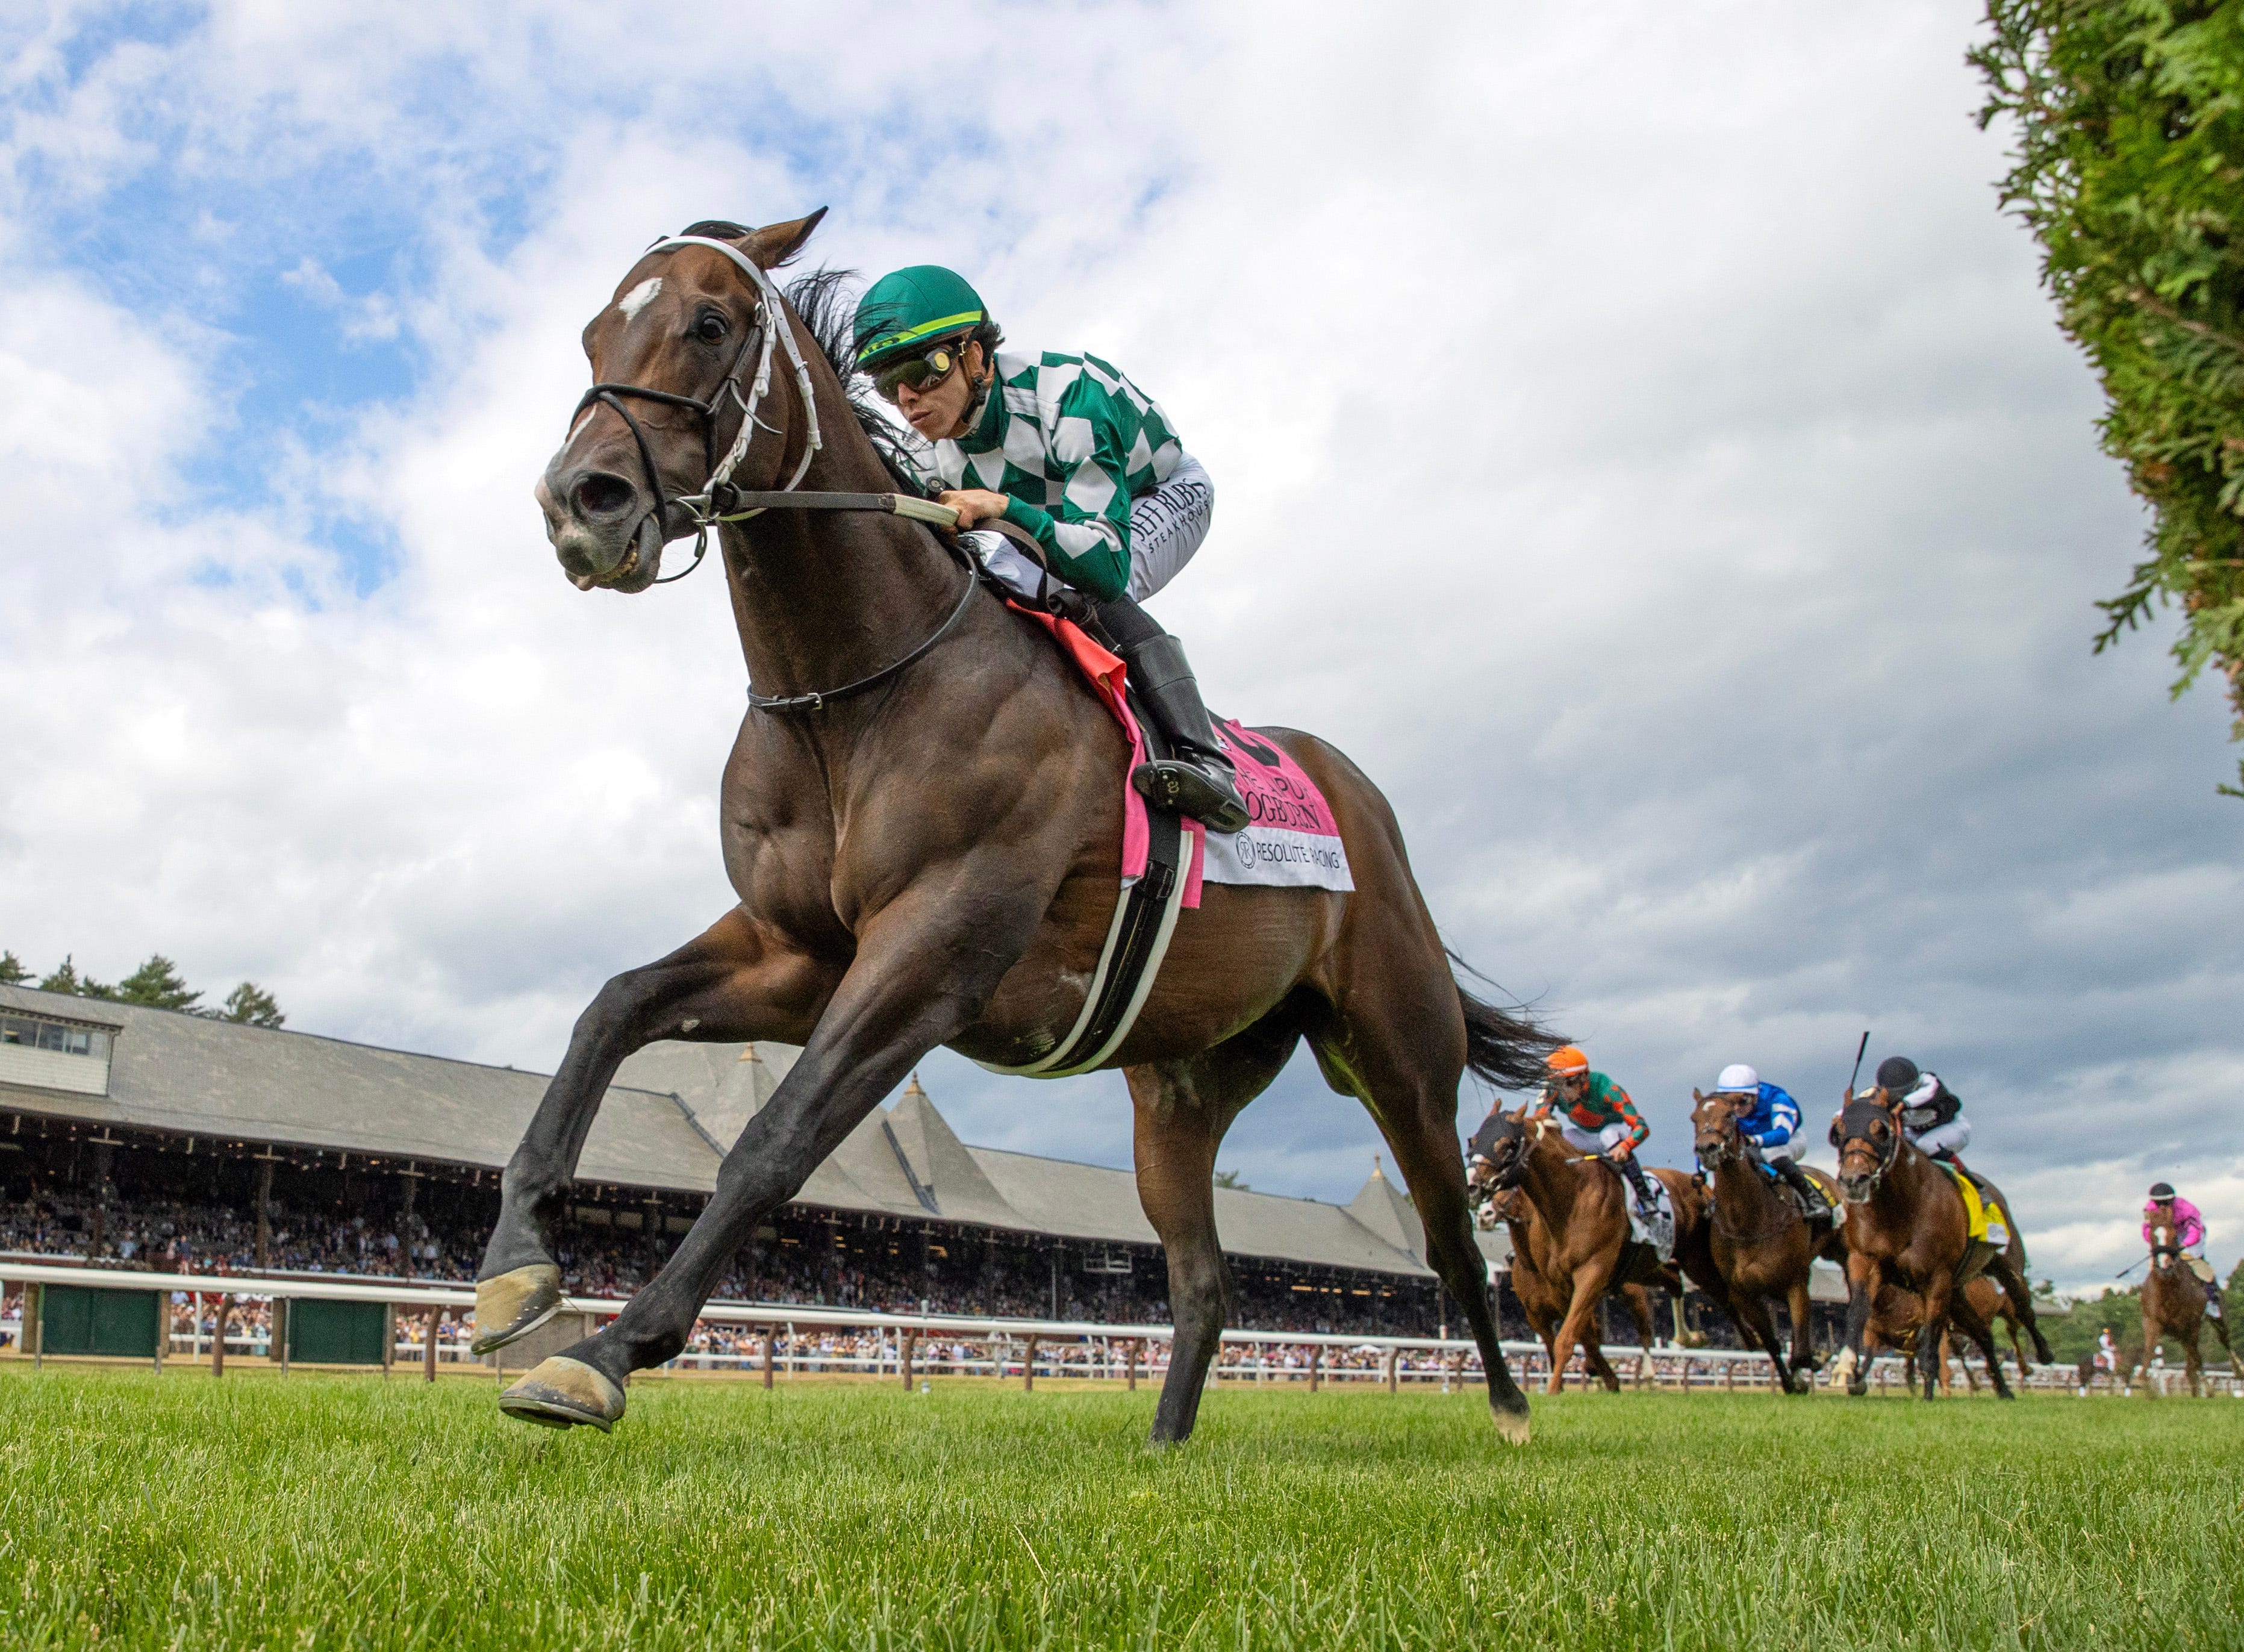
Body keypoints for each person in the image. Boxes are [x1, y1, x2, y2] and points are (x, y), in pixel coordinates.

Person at [851, 266, 1248, 833]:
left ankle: (1206, 761)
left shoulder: (1069, 395)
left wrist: (1005, 507)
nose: (907, 398)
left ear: (975, 357)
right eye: (887, 384)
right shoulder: (920, 456)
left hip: (1155, 495)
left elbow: (1105, 566)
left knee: (1084, 588)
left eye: (920, 370)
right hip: (1064, 518)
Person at [1534, 1046, 1659, 1215]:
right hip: (1587, 1135)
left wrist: (1625, 1147)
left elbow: (1641, 1127)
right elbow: (1539, 1122)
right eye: (1557, 1085)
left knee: (1608, 1135)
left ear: (1584, 1077)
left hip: (1617, 1133)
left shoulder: (1606, 1088)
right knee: (1562, 1139)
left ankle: (1645, 1195)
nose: (1563, 1092)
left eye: (1568, 1084)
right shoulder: (1552, 1091)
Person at [1710, 1063, 1822, 1211]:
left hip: (1789, 1141)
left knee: (1771, 1152)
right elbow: (1709, 1139)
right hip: (1751, 1145)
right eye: (1731, 1102)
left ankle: (1813, 1199)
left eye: (1743, 1101)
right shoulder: (1719, 1107)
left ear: (1755, 1096)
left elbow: (1782, 1134)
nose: (1737, 1108)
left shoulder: (1777, 1098)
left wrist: (1754, 1140)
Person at [2144, 1182, 2223, 1322]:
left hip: (2190, 1234)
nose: (2162, 1206)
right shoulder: (2149, 1210)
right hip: (2168, 1234)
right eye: (2158, 1203)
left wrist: (2182, 1246)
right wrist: (2159, 1247)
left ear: (2172, 1200)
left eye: (2166, 1203)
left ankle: (2212, 1302)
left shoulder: (2186, 1209)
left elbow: (2195, 1233)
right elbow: (2147, 1231)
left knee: (2192, 1260)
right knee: (2159, 1263)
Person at [1872, 1056, 1971, 1162]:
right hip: (1917, 1133)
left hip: (1954, 1128)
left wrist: (1904, 1104)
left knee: (1926, 1145)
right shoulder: (1885, 1096)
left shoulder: (1929, 1081)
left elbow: (1928, 1093)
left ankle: (1960, 1171)